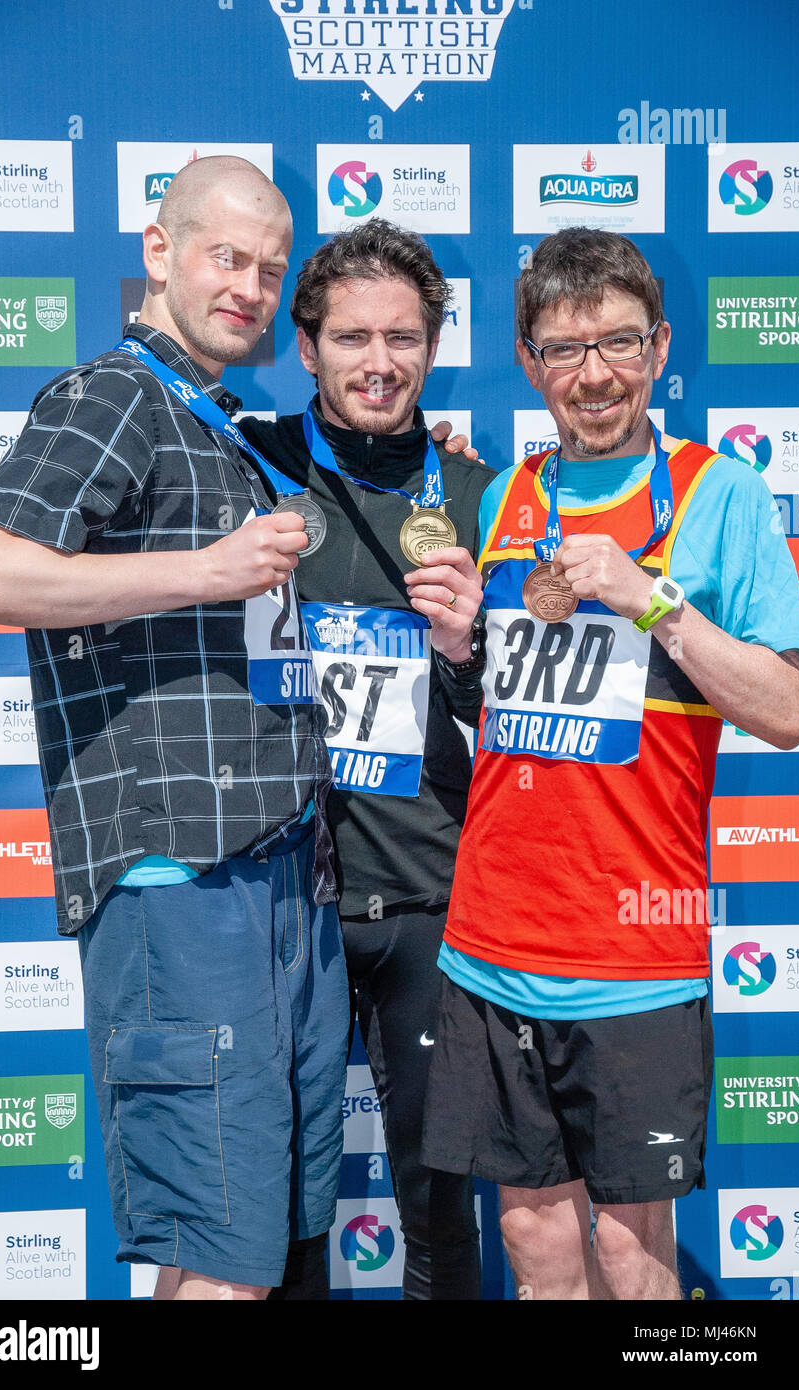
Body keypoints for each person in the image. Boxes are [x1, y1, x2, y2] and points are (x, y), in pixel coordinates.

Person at [0, 156, 351, 1302]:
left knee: (255, 1250)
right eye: (228, 258)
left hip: (280, 871)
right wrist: (207, 570)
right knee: (217, 1265)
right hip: (181, 878)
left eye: (271, 270)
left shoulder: (221, 422)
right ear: (159, 251)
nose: (251, 288)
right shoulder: (112, 394)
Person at [421, 227, 799, 1300]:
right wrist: (460, 649)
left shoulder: (720, 494)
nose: (592, 375)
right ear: (529, 360)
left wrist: (653, 597)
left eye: (617, 343)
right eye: (561, 349)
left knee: (634, 1255)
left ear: (660, 346)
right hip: (491, 937)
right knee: (538, 1247)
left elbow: (788, 712)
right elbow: (496, 704)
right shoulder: (501, 498)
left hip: (633, 948)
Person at [236, 218, 493, 1299]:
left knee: (439, 1201)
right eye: (351, 338)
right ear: (307, 346)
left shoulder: (483, 500)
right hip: (275, 894)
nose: (378, 362)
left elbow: (522, 716)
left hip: (430, 895)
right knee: (281, 1205)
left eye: (402, 337)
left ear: (433, 346)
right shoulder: (242, 461)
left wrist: (470, 647)